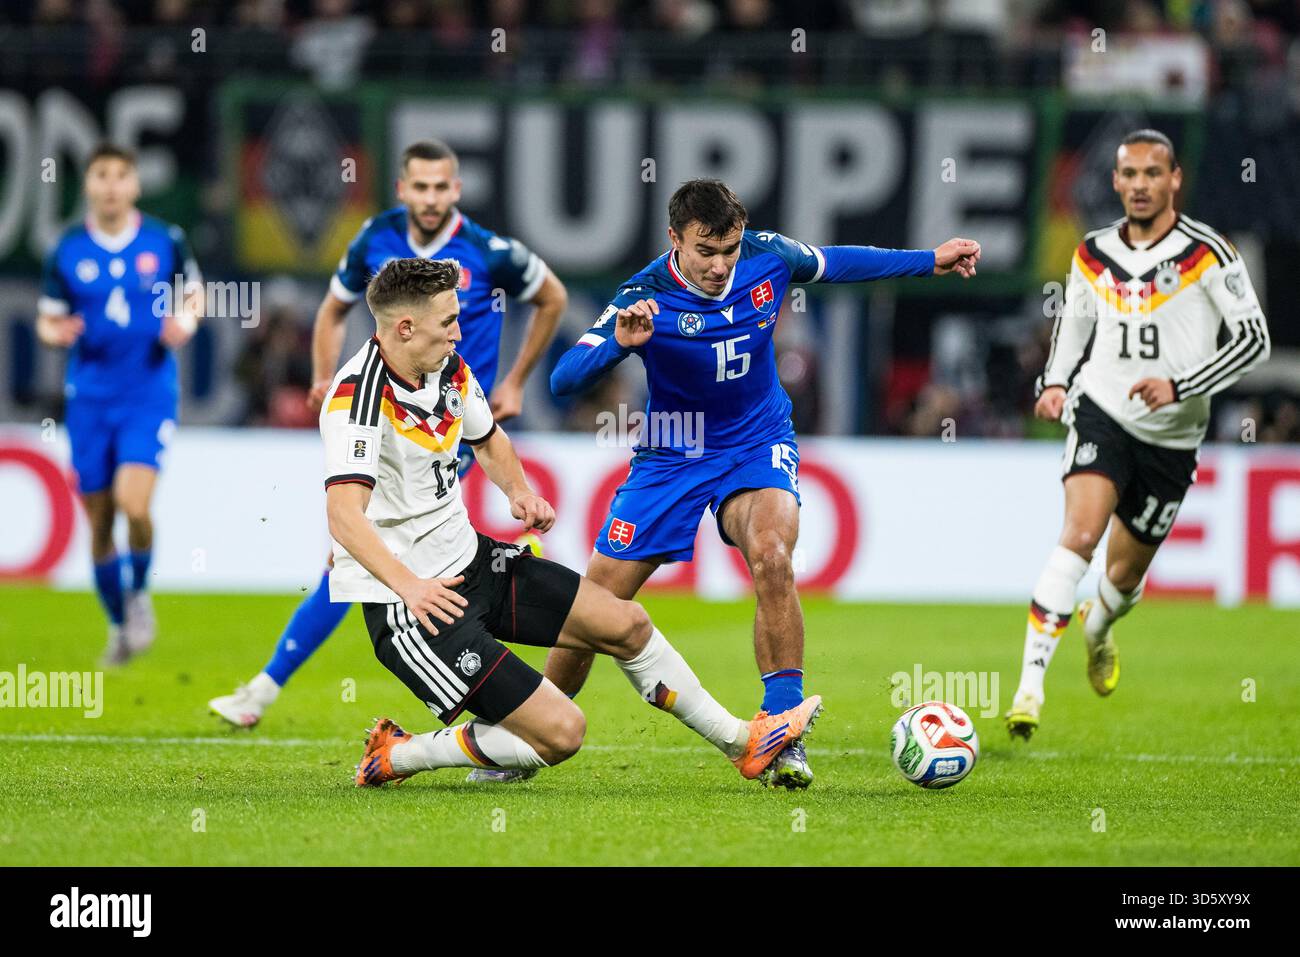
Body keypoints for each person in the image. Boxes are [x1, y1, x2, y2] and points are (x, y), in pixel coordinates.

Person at [496, 178, 978, 789]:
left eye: (729, 249)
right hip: (672, 453)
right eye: (706, 251)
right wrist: (617, 343)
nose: (722, 265)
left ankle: (782, 737)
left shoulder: (767, 256)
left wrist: (928, 261)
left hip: (756, 441)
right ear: (675, 239)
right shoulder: (641, 297)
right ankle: (527, 739)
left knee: (773, 554)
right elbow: (564, 380)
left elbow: (842, 263)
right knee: (596, 608)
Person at [326, 257, 821, 785]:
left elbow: (487, 437)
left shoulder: (444, 366)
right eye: (448, 320)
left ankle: (742, 743)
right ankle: (399, 755)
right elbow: (343, 518)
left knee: (626, 623)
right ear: (405, 327)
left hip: (472, 561)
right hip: (415, 608)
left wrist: (519, 492)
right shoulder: (358, 399)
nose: (458, 330)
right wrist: (410, 588)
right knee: (562, 733)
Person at [209, 139, 566, 727]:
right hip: (394, 415)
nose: (430, 197)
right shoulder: (375, 238)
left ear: (456, 189)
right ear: (402, 189)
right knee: (363, 550)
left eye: (440, 186)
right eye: (419, 186)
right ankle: (512, 684)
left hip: (451, 416)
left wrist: (518, 379)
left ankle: (267, 688)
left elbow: (551, 297)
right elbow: (330, 309)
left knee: (353, 552)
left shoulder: (487, 249)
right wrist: (325, 375)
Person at [1006, 130, 1271, 739]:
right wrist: (1053, 383)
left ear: (1174, 179)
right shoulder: (1092, 253)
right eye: (1130, 174)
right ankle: (1028, 690)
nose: (1141, 185)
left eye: (1153, 174)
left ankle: (1099, 630)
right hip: (1101, 410)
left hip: (1173, 438)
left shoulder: (1209, 253)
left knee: (1122, 580)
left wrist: (1180, 386)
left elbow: (1253, 340)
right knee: (1078, 533)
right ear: (1116, 181)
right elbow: (1073, 330)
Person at [37, 143, 203, 665]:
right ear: (88, 184)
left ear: (134, 185)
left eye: (121, 175)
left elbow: (194, 295)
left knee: (135, 503)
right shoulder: (66, 248)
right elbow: (46, 316)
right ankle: (118, 626)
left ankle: (137, 598)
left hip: (147, 393)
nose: (111, 185)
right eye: (101, 175)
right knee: (101, 520)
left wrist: (185, 321)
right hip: (88, 398)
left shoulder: (164, 241)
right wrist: (55, 331)